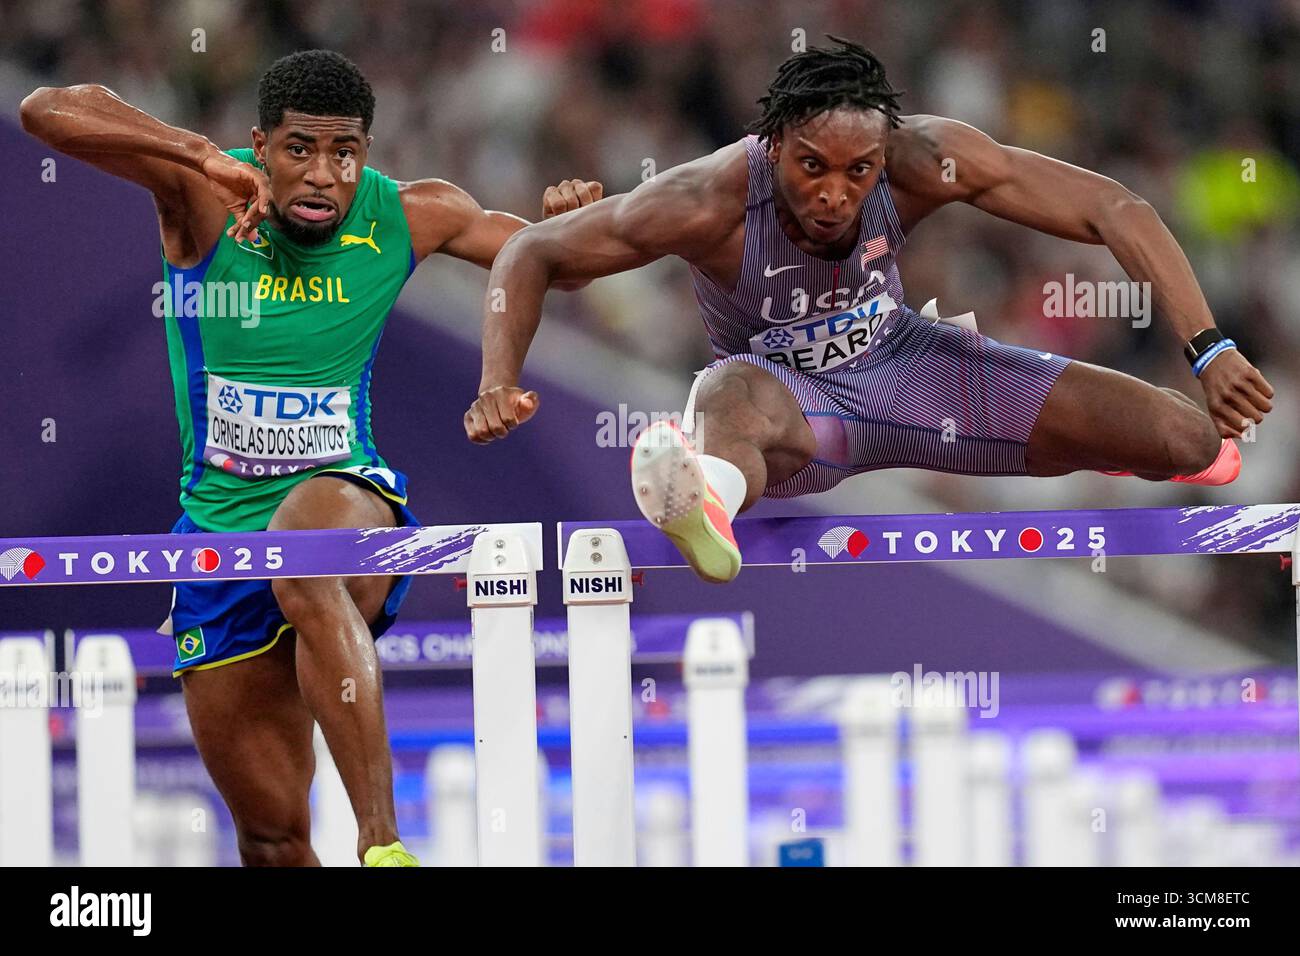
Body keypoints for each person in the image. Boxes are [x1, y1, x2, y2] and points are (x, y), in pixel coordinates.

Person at [20, 49, 601, 865]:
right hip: (219, 537)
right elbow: (47, 108)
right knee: (269, 837)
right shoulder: (202, 198)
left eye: (345, 152)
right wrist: (192, 153)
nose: (324, 174)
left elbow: (550, 261)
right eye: (299, 150)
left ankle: (382, 842)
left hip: (345, 497)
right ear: (262, 146)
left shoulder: (412, 212)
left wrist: (571, 216)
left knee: (305, 550)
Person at [464, 37, 1273, 584]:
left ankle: (1168, 462)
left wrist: (1207, 346)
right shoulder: (700, 199)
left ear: (886, 153)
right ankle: (698, 495)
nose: (834, 194)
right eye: (813, 167)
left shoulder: (926, 158)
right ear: (773, 145)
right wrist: (497, 376)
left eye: (859, 173)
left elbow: (1114, 208)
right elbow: (533, 254)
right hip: (795, 407)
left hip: (913, 367)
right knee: (726, 397)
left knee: (1186, 437)